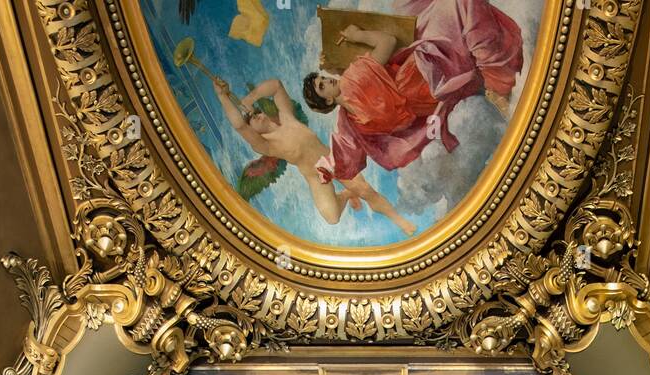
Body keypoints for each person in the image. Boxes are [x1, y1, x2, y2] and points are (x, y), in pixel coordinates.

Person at [303, 0, 523, 184]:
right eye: (322, 86)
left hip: (428, 101)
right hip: (424, 70)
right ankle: (496, 76)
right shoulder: (354, 78)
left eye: (322, 78)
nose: (326, 79)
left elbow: (344, 154)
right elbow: (387, 42)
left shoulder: (351, 123)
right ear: (328, 100)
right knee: (457, 4)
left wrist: (328, 169)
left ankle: (491, 78)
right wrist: (357, 35)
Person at [209, 74, 416, 235]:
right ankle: (345, 194)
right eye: (252, 118)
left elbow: (276, 86)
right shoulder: (266, 145)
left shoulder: (287, 117)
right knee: (332, 217)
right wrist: (221, 96)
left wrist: (249, 98)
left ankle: (399, 220)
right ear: (253, 131)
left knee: (365, 191)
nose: (257, 114)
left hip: (334, 161)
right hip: (315, 176)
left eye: (256, 111)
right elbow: (238, 125)